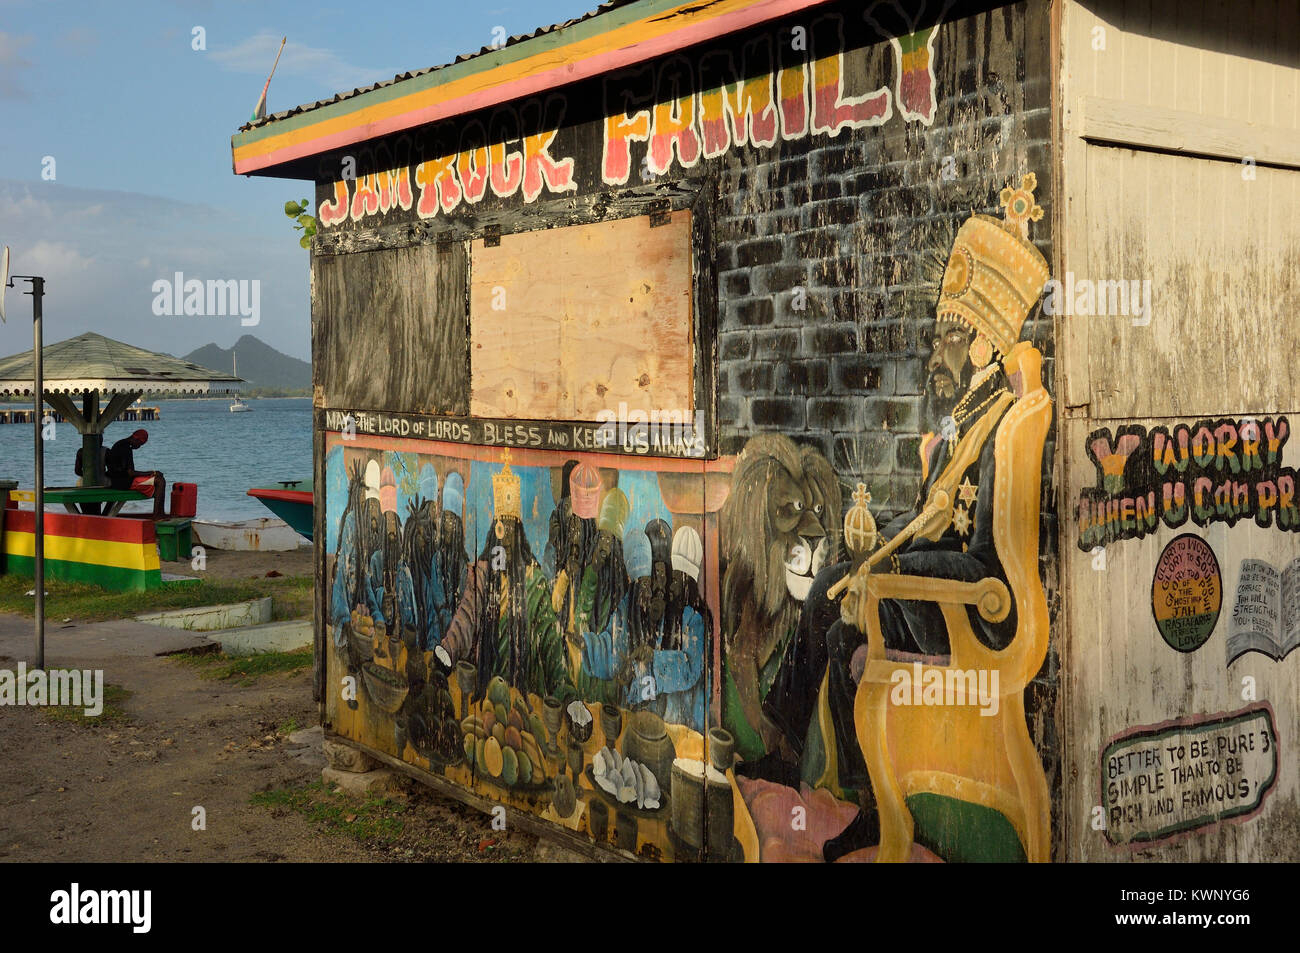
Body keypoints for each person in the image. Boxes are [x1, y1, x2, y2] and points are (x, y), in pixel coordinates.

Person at [739, 173, 1051, 862]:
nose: (934, 355)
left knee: (849, 601)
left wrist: (889, 567)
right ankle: (815, 769)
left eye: (947, 340)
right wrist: (875, 544)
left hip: (980, 612)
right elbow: (928, 521)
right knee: (833, 590)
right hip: (939, 589)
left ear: (980, 346)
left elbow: (990, 562)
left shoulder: (1004, 425)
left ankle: (862, 803)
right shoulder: (962, 420)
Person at [104, 429, 166, 518]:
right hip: (123, 482)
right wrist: (152, 472)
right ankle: (157, 515)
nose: (138, 447)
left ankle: (160, 513)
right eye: (140, 444)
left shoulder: (120, 444)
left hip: (116, 480)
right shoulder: (126, 449)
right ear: (136, 439)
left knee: (157, 482)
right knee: (160, 481)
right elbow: (131, 473)